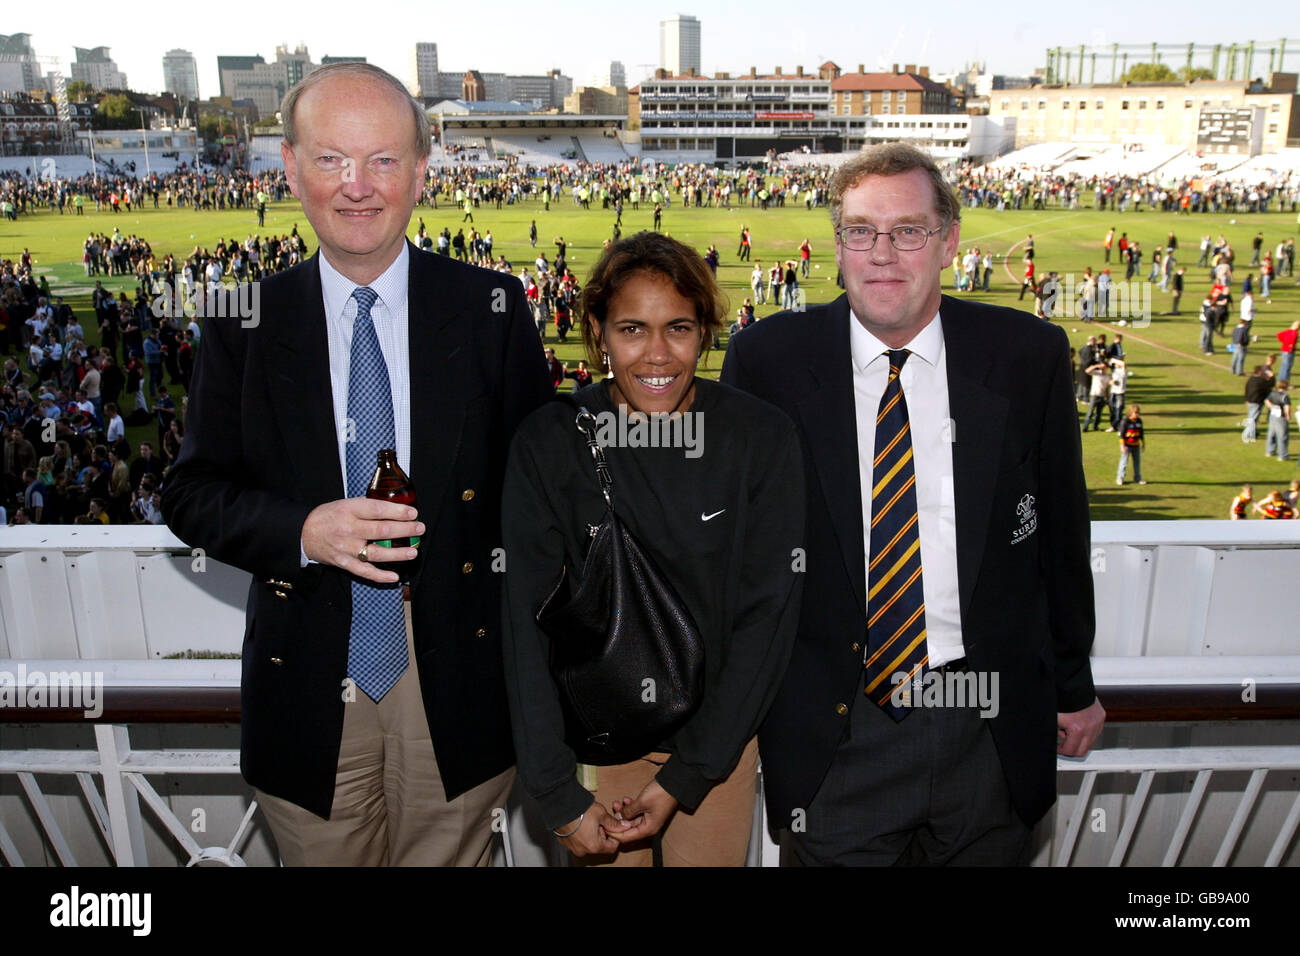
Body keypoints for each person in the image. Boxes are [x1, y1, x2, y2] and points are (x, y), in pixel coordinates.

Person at [161, 63, 552, 867]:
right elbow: (190, 494)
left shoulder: (492, 308)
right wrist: (303, 529)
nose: (358, 186)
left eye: (381, 160)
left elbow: (543, 487)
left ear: (420, 170)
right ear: (291, 166)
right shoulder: (244, 322)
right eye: (333, 159)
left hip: (456, 667)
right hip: (309, 669)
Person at [721, 143, 1103, 866]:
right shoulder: (767, 361)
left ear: (949, 241)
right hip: (838, 727)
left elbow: (1060, 532)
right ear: (837, 243)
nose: (883, 253)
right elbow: (740, 551)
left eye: (909, 230)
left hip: (986, 722)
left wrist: (1075, 685)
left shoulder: (1027, 354)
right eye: (862, 230)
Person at [501, 232, 805, 865]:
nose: (658, 354)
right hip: (598, 745)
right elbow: (522, 626)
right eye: (633, 329)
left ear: (706, 331)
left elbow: (767, 621)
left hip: (715, 746)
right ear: (598, 330)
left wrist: (689, 772)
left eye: (680, 328)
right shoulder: (550, 443)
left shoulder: (761, 439)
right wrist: (555, 791)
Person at [1116, 403, 1145, 486]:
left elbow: (1141, 433)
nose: (1137, 415)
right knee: (1124, 462)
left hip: (1136, 445)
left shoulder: (1139, 421)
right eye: (1135, 413)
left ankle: (1137, 478)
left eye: (1138, 413)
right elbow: (1122, 435)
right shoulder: (1125, 422)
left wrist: (1143, 443)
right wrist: (1123, 446)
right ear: (1130, 413)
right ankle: (1120, 478)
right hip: (1127, 445)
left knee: (1137, 462)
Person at [1265, 379, 1291, 461]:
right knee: (1282, 436)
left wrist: (1272, 407)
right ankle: (1283, 455)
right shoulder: (1285, 396)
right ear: (1286, 387)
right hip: (1281, 417)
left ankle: (1270, 451)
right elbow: (1287, 407)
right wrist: (1288, 415)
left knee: (1271, 434)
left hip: (1272, 416)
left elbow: (1266, 401)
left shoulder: (1273, 393)